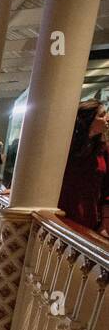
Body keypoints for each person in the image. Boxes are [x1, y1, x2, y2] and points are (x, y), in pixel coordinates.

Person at [58, 99, 109, 235]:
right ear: (88, 118)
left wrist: (104, 223)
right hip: (60, 214)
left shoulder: (102, 150)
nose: (107, 118)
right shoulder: (65, 146)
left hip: (88, 218)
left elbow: (106, 190)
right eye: (102, 115)